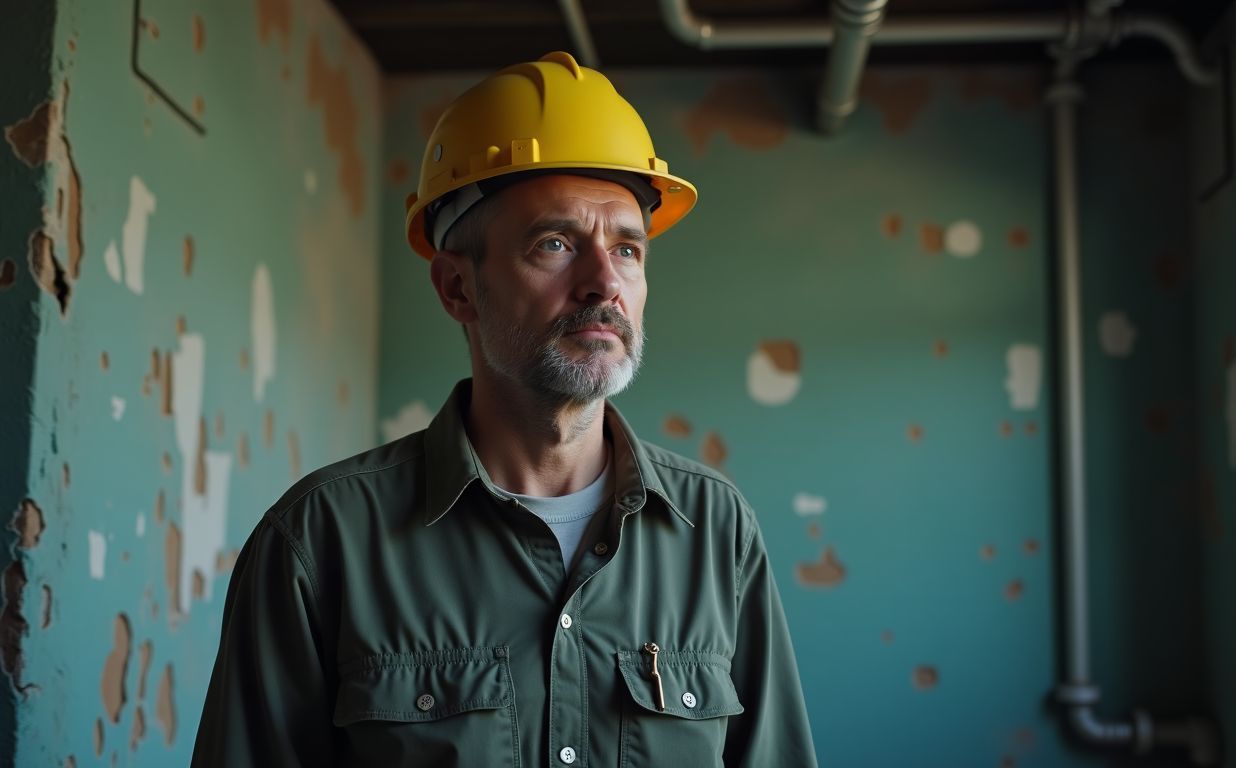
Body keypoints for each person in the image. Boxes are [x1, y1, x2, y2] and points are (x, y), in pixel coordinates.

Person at [193, 51, 817, 768]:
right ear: (458, 288)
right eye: (555, 243)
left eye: (628, 249)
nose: (604, 283)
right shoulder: (320, 540)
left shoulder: (716, 530)